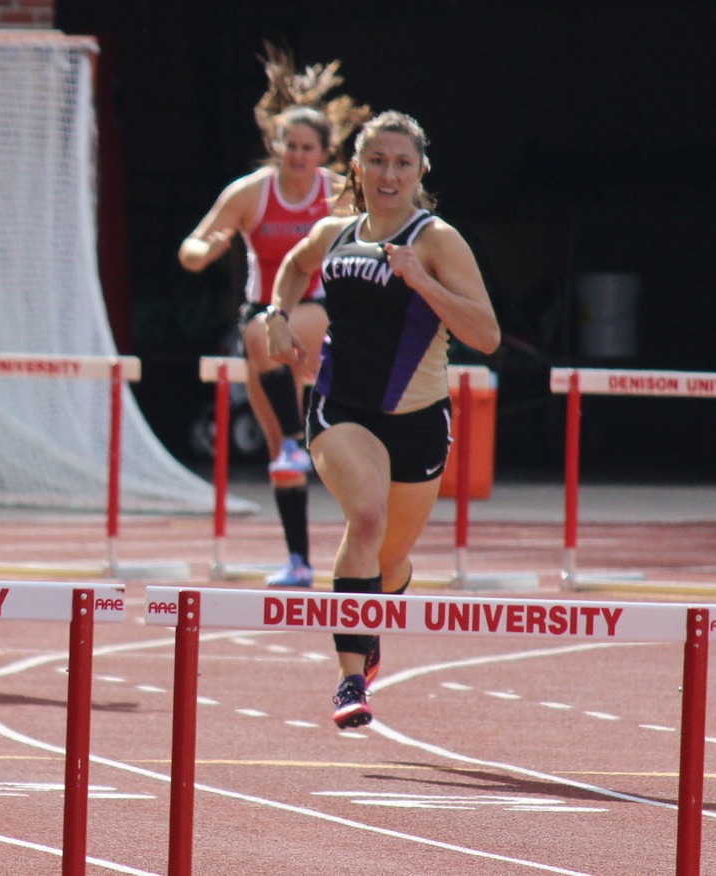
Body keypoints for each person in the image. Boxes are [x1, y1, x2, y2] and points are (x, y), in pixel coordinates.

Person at [265, 111, 499, 728]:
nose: (387, 173)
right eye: (376, 161)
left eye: (401, 162)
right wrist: (272, 313)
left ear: (421, 170)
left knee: (389, 560)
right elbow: (291, 268)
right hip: (341, 408)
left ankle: (372, 616)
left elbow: (487, 335)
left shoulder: (437, 239)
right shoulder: (334, 233)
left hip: (418, 421)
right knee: (364, 516)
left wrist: (421, 280)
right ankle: (348, 681)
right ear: (356, 168)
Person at [178, 44, 369, 588]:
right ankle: (300, 561)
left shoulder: (336, 195)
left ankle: (363, 531)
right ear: (275, 144)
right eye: (290, 145)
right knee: (282, 460)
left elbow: (386, 229)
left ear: (325, 153)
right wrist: (206, 250)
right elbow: (191, 247)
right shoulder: (249, 194)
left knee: (274, 328)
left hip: (318, 315)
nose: (298, 156)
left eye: (309, 148)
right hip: (262, 325)